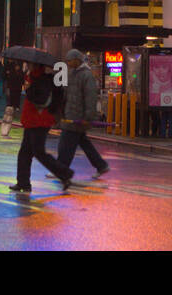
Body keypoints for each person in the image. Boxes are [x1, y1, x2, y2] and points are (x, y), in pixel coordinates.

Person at [9, 63, 73, 193]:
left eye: (29, 64)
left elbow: (38, 98)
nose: (27, 66)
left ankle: (65, 173)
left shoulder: (40, 80)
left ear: (35, 66)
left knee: (39, 153)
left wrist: (28, 88)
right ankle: (23, 183)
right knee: (24, 153)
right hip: (32, 121)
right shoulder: (34, 78)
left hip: (39, 121)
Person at [55, 49, 110, 177]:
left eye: (70, 60)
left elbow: (90, 97)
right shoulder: (72, 73)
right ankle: (101, 165)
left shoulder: (86, 75)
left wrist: (88, 116)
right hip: (71, 114)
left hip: (78, 116)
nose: (68, 63)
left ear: (77, 60)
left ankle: (60, 169)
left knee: (66, 143)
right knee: (83, 143)